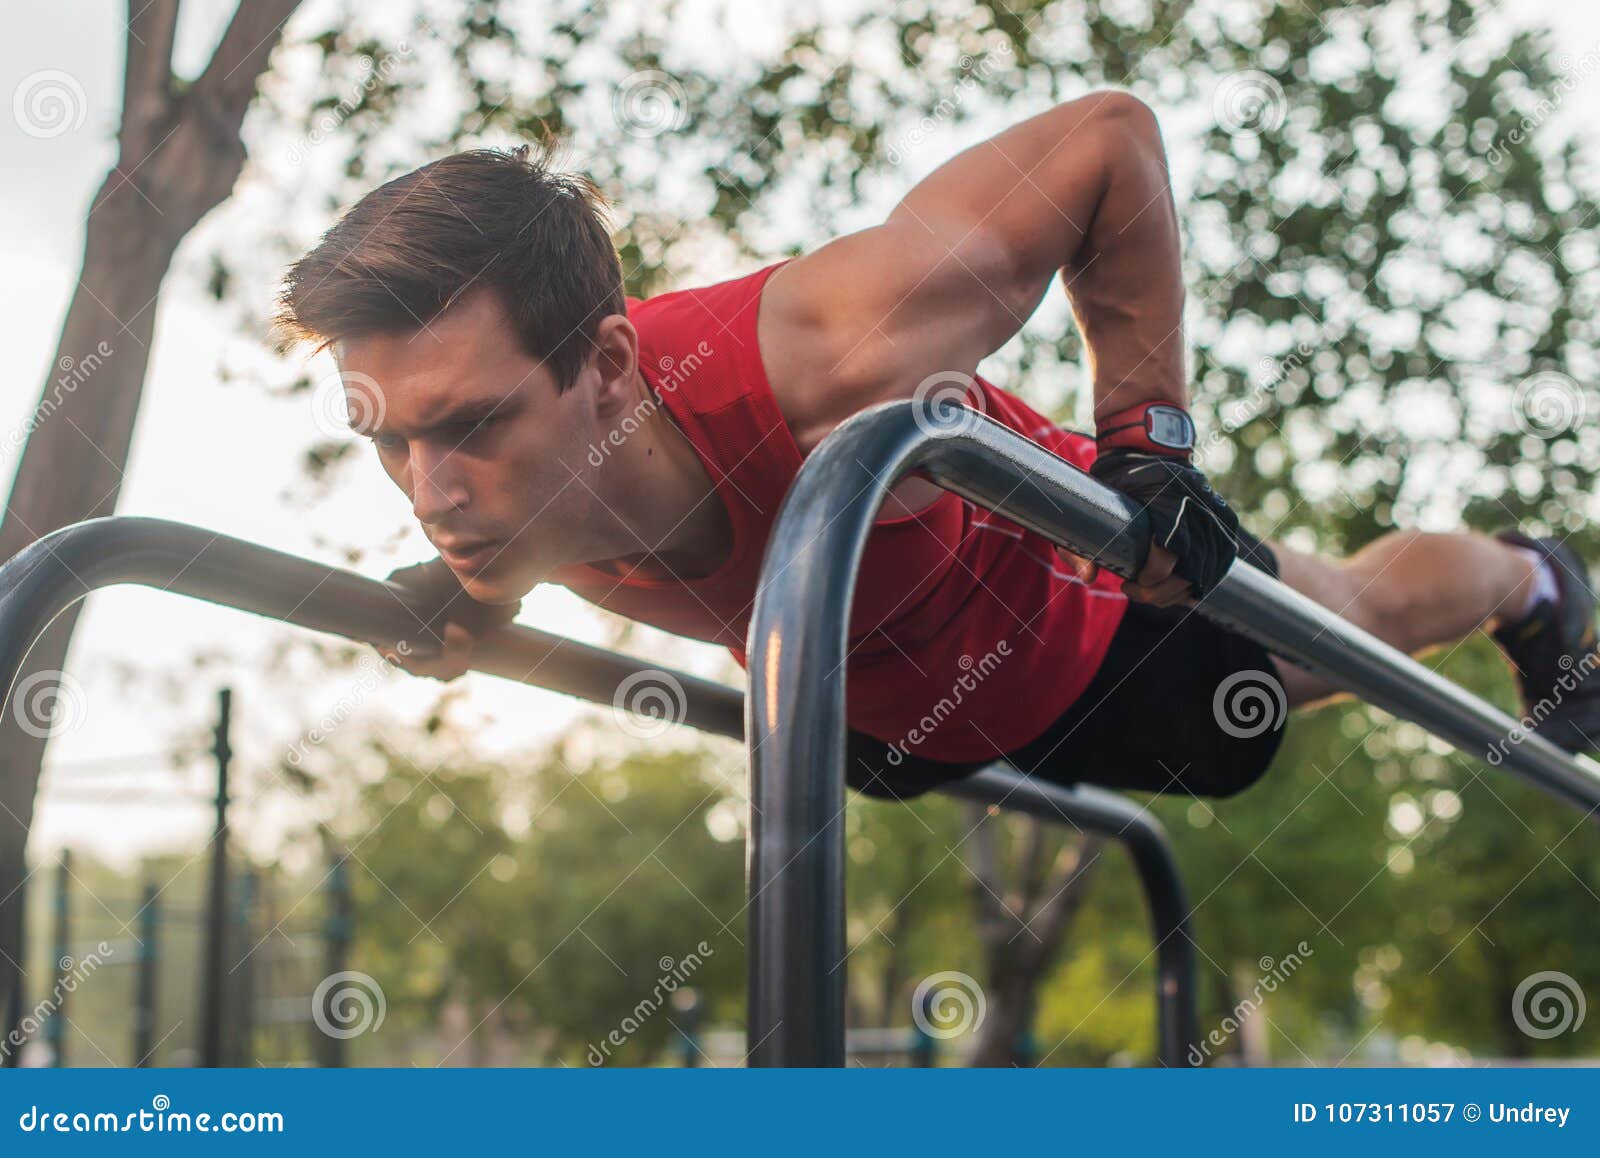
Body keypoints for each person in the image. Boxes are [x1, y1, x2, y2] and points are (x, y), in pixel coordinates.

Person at [274, 90, 1598, 801]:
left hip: (1103, 617)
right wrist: (468, 603)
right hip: (904, 721)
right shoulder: (500, 510)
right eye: (391, 443)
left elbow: (1107, 143)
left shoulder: (833, 348)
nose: (431, 496)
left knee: (1361, 619)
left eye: (472, 427)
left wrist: (1153, 453)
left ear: (609, 366)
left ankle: (1534, 581)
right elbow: (485, 504)